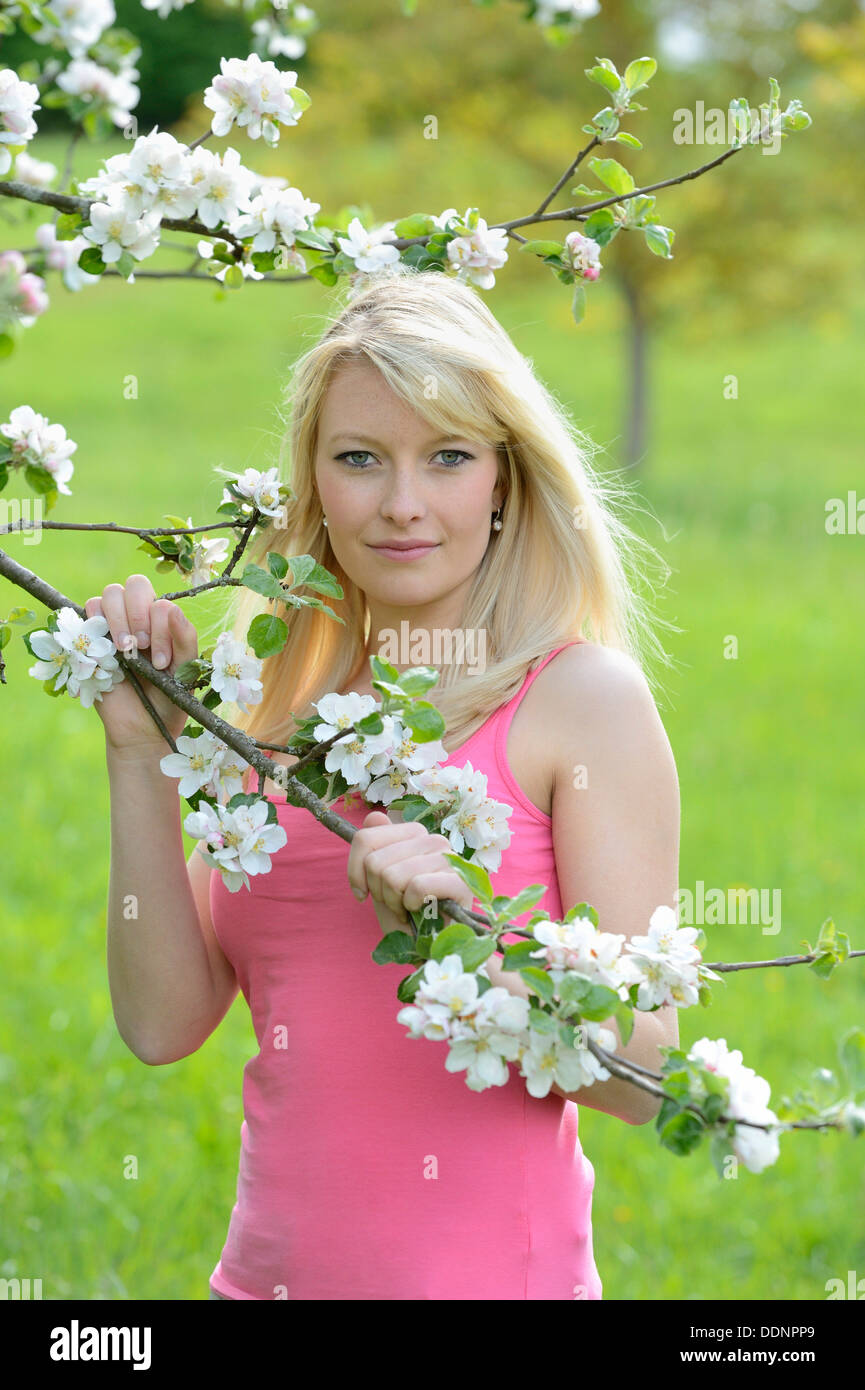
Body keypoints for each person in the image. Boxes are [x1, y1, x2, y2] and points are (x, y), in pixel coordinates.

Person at [88, 264, 680, 1300]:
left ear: (503, 477)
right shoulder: (280, 713)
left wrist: (472, 931)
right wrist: (142, 758)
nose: (402, 505)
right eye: (359, 458)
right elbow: (161, 1023)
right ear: (312, 481)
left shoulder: (580, 703)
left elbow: (641, 1075)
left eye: (446, 457)